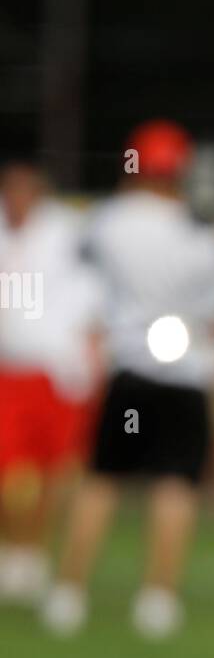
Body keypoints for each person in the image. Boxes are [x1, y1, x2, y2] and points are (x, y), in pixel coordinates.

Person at [42, 121, 214, 638]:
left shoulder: (108, 220)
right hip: (187, 372)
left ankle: (68, 592)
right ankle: (158, 599)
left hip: (128, 365)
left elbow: (78, 278)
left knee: (101, 479)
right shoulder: (206, 231)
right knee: (175, 486)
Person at [0, 160, 102, 603]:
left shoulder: (66, 231)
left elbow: (91, 291)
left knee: (55, 469)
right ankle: (15, 550)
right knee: (11, 467)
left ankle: (37, 555)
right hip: (11, 366)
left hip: (57, 368)